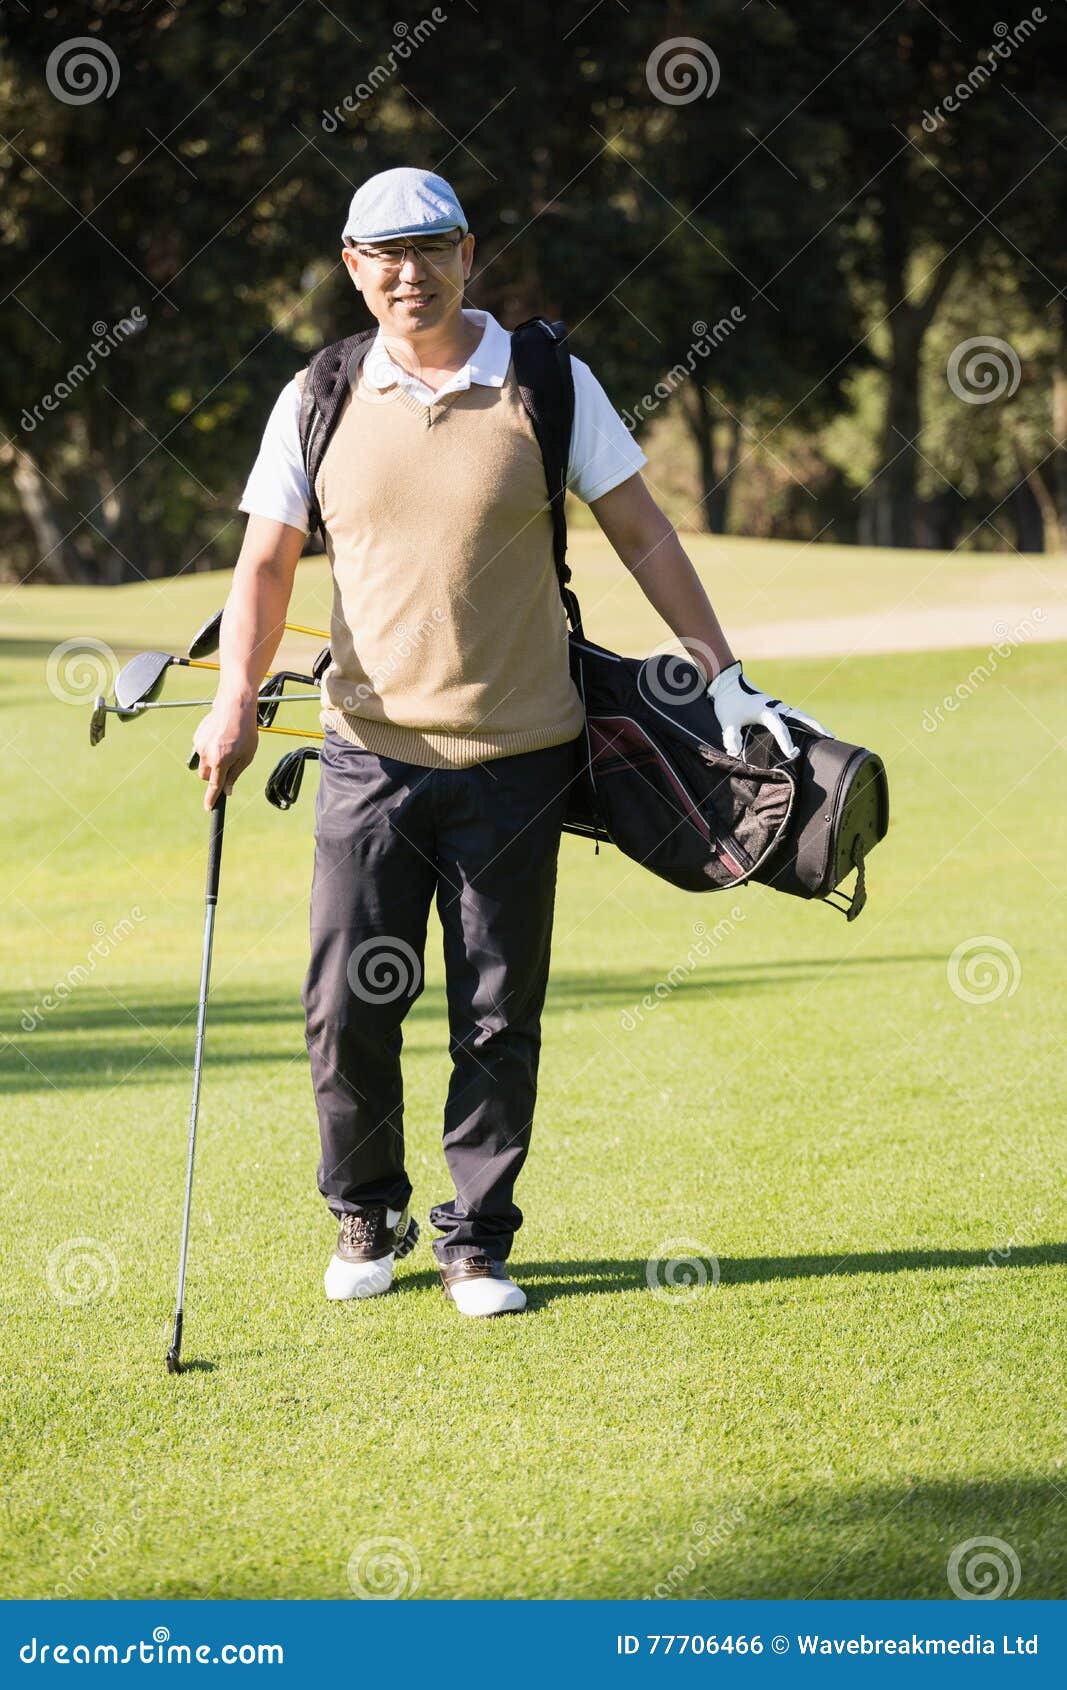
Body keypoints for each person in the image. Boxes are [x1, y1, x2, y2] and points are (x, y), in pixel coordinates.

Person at [193, 166, 826, 1318]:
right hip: (368, 754)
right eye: (383, 254)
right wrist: (234, 692)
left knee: (495, 1010)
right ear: (350, 266)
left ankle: (476, 1238)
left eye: (430, 247)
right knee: (346, 1001)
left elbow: (639, 529)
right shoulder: (319, 394)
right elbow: (267, 565)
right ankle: (363, 1206)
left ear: (467, 251)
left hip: (520, 757)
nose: (408, 272)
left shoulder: (546, 378)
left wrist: (721, 672)